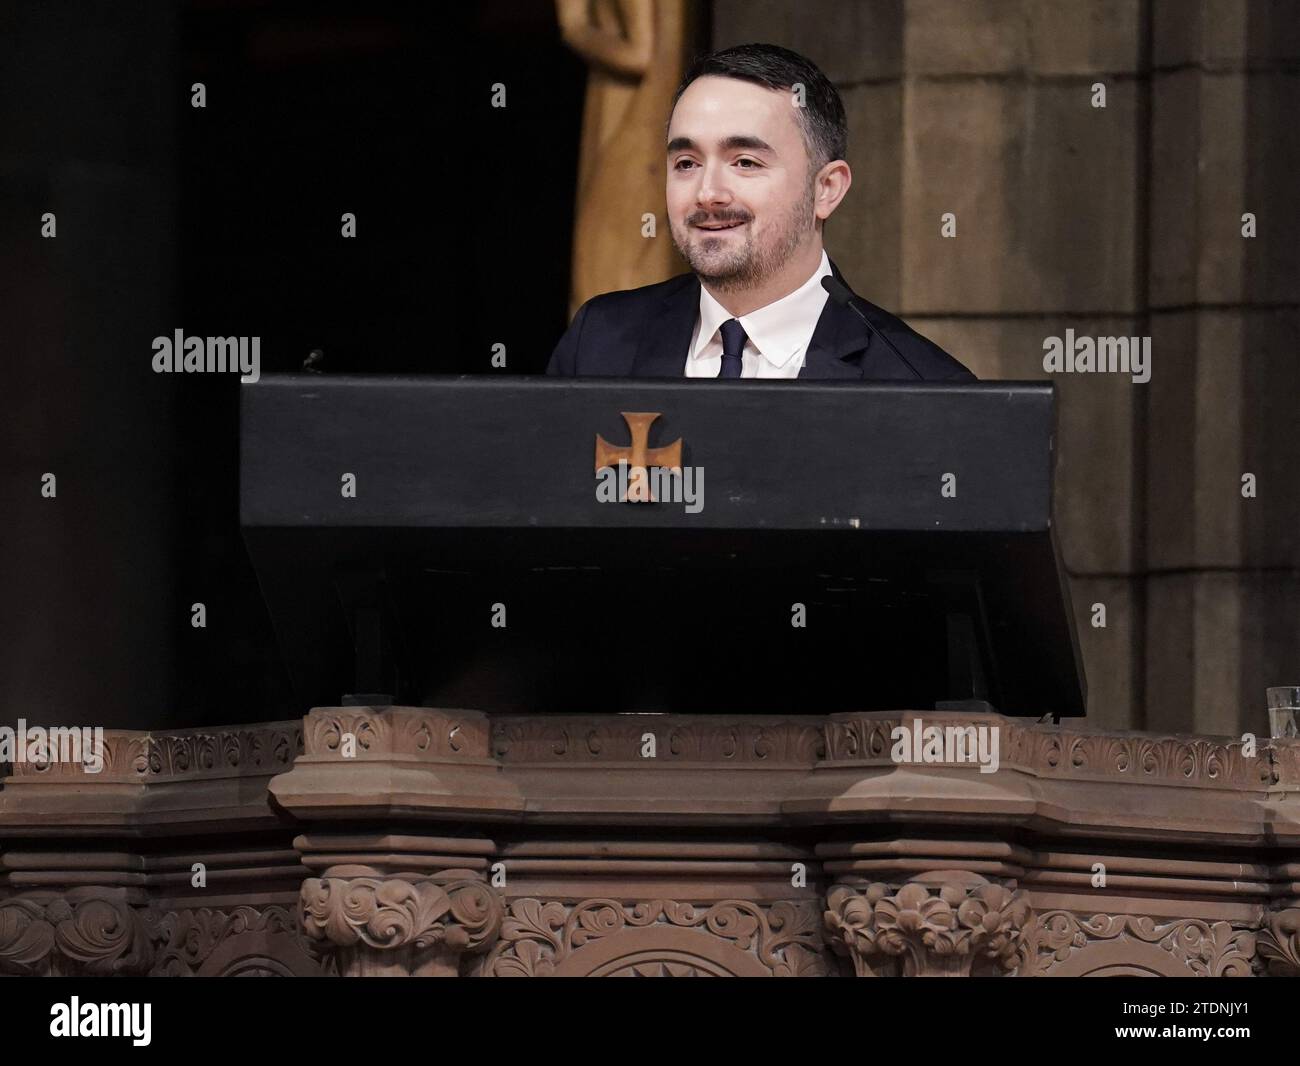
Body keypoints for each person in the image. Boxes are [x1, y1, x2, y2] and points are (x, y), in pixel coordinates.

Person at [547, 42, 974, 381]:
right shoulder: (599, 341)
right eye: (686, 164)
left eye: (745, 162)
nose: (708, 193)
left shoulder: (918, 383)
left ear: (826, 189)